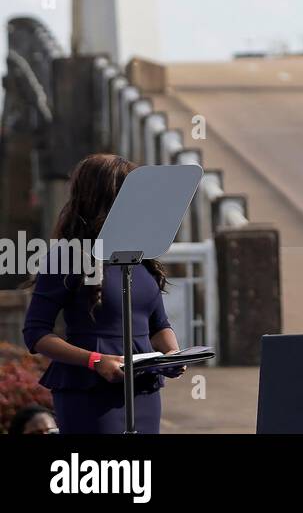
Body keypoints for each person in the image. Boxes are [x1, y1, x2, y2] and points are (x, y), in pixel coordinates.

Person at [23, 153, 186, 434]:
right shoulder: (67, 257)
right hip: (90, 393)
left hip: (143, 390)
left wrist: (172, 353)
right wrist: (95, 361)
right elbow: (35, 333)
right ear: (108, 199)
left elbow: (159, 325)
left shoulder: (140, 256)